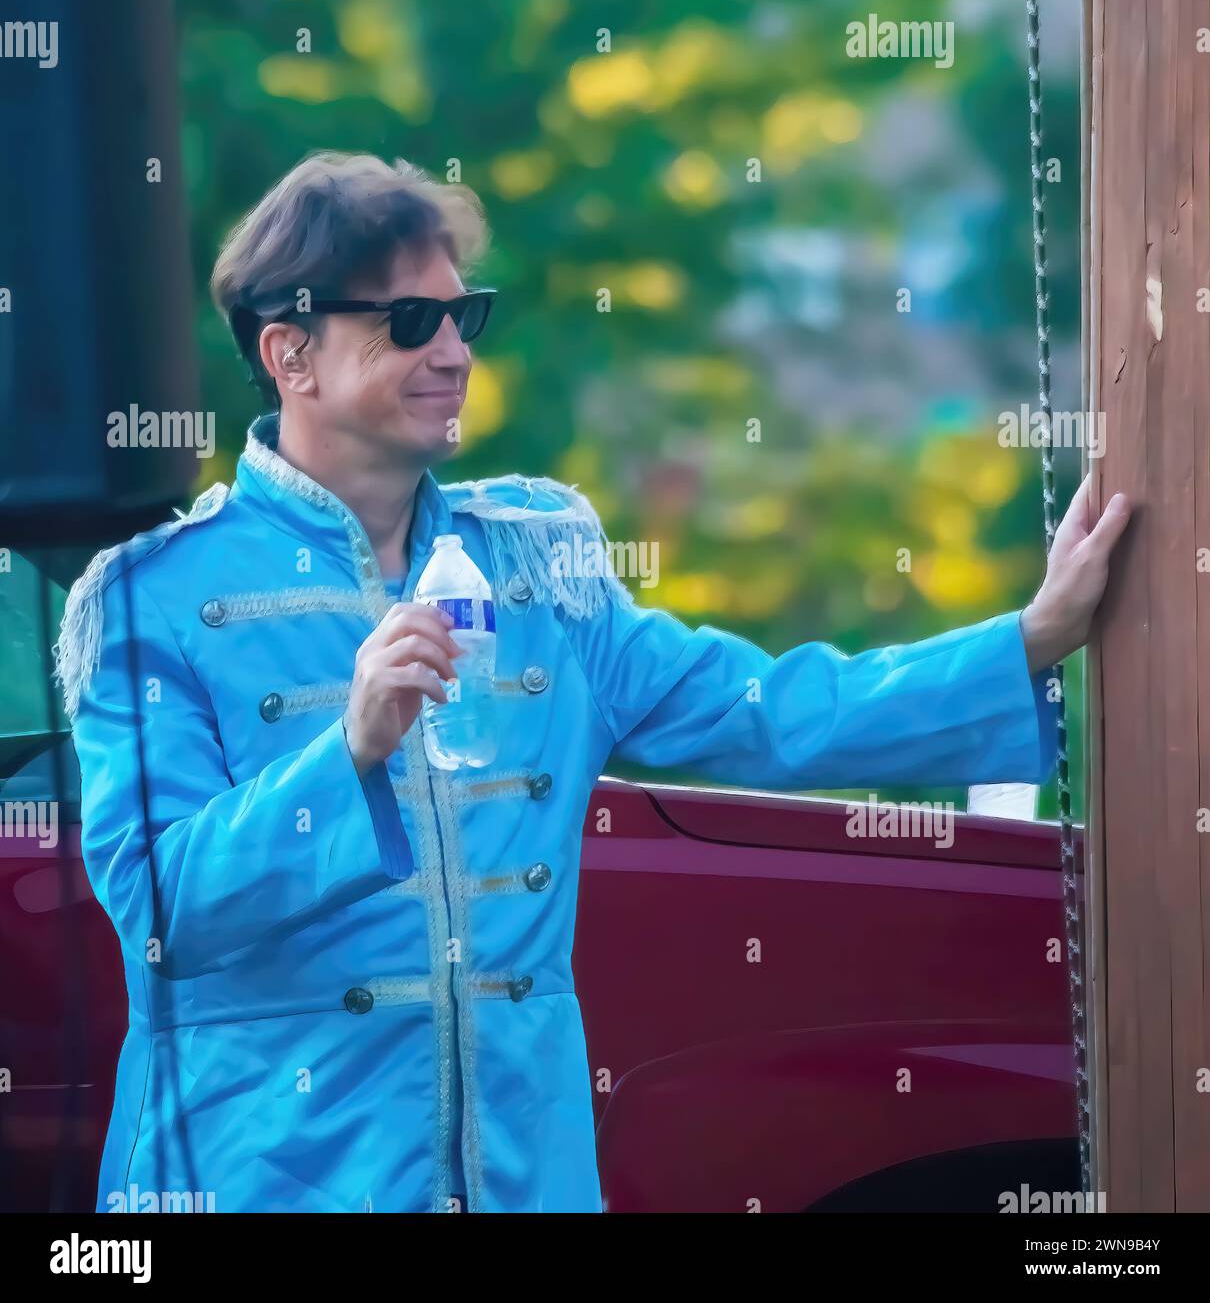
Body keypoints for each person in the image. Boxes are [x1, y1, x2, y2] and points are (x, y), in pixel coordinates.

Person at [57, 151, 1131, 1214]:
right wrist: (349, 751)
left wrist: (1031, 639)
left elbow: (771, 711)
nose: (453, 354)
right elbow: (157, 912)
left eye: (462, 317)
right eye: (410, 322)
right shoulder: (151, 601)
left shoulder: (540, 570)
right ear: (290, 353)